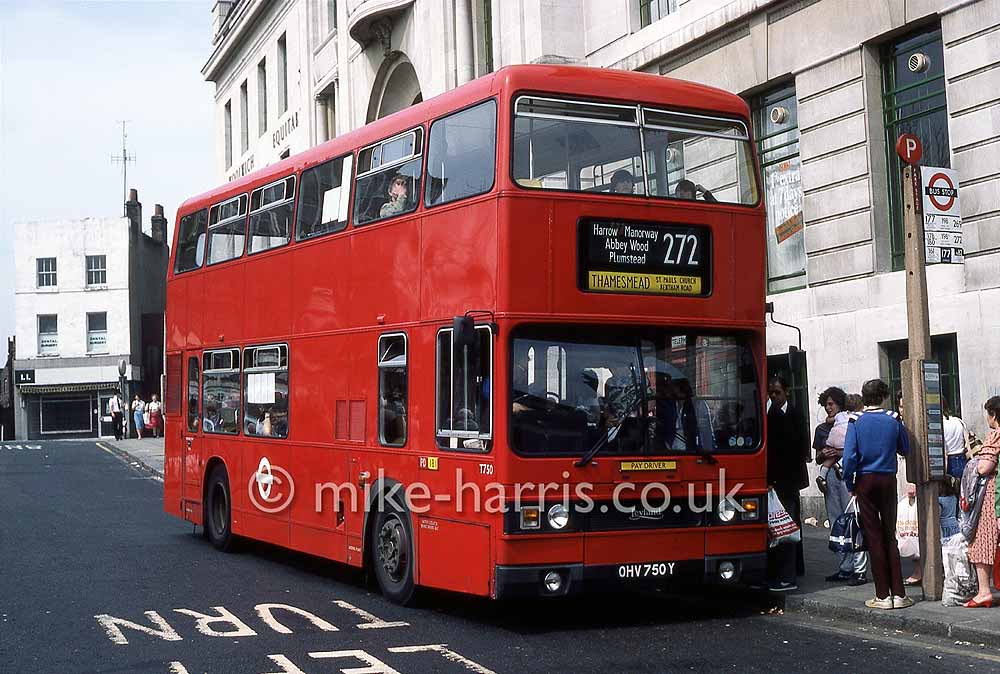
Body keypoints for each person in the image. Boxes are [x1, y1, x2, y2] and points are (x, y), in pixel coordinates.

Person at [842, 378, 913, 610]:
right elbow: (905, 447)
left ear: (864, 397)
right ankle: (899, 594)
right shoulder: (893, 419)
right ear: (884, 396)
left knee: (873, 535)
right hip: (887, 479)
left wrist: (848, 480)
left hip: (865, 479)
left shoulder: (855, 420)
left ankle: (882, 595)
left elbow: (850, 456)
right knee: (889, 534)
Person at [814, 386, 869, 585]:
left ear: (840, 404)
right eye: (825, 405)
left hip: (848, 475)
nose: (828, 408)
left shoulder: (854, 421)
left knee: (854, 520)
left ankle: (859, 568)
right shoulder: (822, 429)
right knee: (836, 520)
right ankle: (844, 567)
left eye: (831, 404)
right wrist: (824, 455)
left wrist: (838, 453)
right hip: (831, 477)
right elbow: (818, 456)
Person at [766, 375, 810, 591]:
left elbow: (801, 447)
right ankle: (785, 571)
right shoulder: (770, 414)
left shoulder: (795, 413)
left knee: (787, 527)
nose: (774, 396)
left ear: (787, 392)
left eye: (777, 392)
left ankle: (789, 576)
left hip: (788, 480)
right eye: (771, 393)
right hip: (777, 480)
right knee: (782, 526)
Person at [964, 396, 1000, 608]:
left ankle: (984, 591)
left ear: (993, 415)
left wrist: (976, 459)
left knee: (983, 540)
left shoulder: (995, 435)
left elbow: (983, 468)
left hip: (994, 497)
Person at [942, 397, 970, 479]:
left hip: (950, 463)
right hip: (963, 460)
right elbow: (967, 443)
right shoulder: (958, 421)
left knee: (951, 490)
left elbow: (944, 452)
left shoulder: (940, 425)